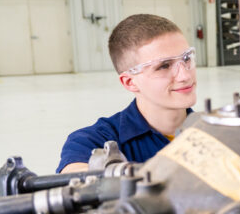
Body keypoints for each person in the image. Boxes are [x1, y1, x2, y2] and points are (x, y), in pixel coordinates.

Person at [58, 14, 197, 172]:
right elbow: (77, 179)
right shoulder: (93, 141)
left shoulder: (218, 131)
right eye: (164, 66)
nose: (185, 76)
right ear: (130, 82)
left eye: (186, 59)